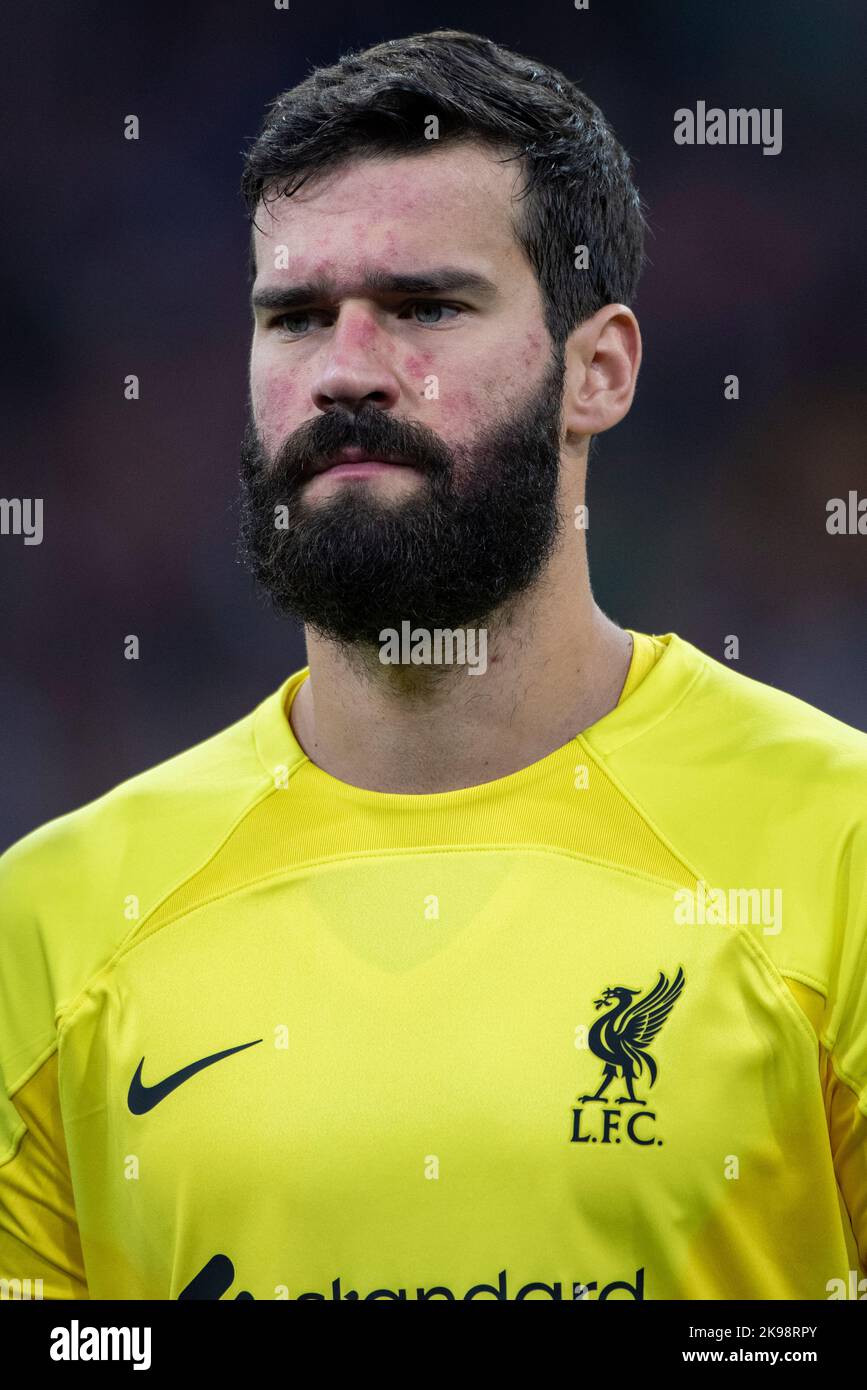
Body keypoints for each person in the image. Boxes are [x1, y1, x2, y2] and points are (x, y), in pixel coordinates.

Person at [1, 29, 864, 1302]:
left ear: (600, 370)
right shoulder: (56, 921)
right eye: (295, 317)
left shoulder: (838, 847)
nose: (346, 368)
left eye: (425, 307)